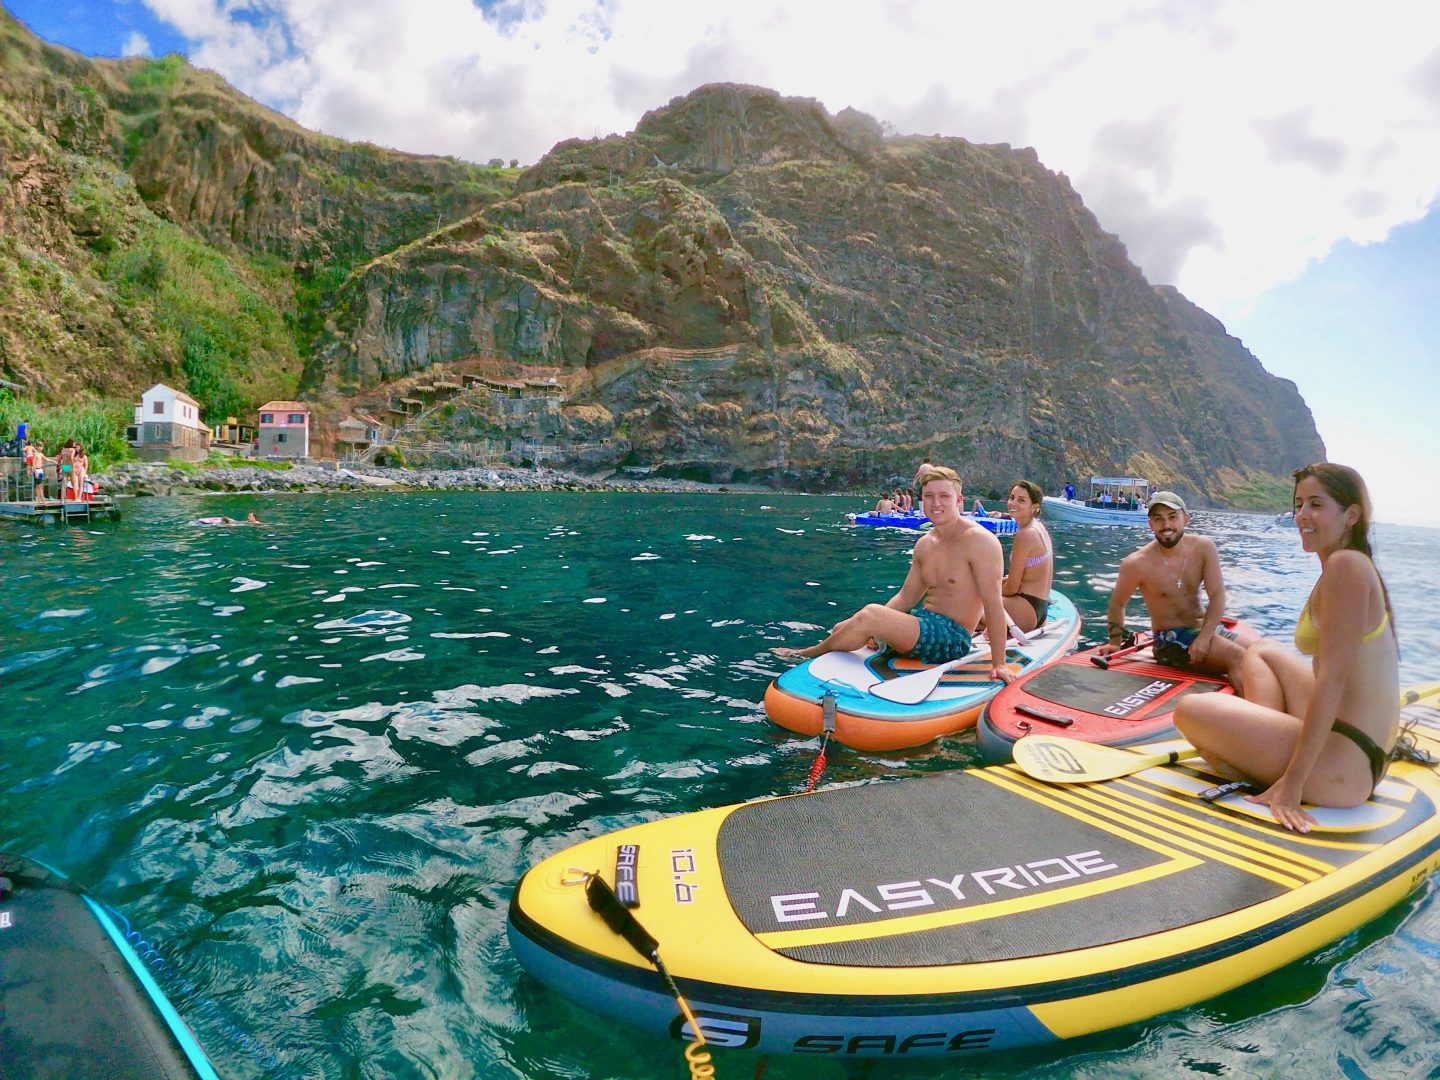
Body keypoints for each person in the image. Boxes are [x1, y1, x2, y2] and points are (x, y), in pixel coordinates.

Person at [1175, 464, 1398, 831]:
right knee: (1262, 650)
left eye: (1316, 504)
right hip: (1355, 749)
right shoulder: (1343, 565)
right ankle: (1258, 736)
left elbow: (1333, 680)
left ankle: (1261, 756)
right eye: (1298, 505)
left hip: (1344, 769)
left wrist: (1291, 785)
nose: (1301, 516)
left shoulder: (1346, 567)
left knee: (1190, 710)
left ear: (1351, 515)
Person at [772, 467, 1017, 682]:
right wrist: (881, 627)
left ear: (959, 500)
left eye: (944, 496)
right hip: (925, 622)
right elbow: (905, 599)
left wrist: (999, 663)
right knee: (842, 627)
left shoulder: (981, 542)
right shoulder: (925, 543)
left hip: (952, 638)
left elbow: (993, 605)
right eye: (929, 496)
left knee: (869, 615)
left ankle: (807, 653)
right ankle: (863, 636)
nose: (936, 503)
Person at [1095, 491, 1246, 686]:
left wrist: (1205, 637)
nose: (1166, 526)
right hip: (1170, 640)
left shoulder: (1203, 548)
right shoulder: (1136, 563)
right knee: (1240, 658)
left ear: (1186, 519)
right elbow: (1117, 604)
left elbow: (1217, 596)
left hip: (1207, 630)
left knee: (1262, 654)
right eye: (1158, 519)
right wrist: (1115, 643)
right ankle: (1258, 715)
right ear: (1150, 524)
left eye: (1172, 517)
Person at [1001, 480, 1053, 633]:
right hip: (1039, 608)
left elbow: (1012, 587)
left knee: (970, 602)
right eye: (1011, 498)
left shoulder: (1025, 535)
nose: (1013, 503)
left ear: (1034, 507)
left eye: (1021, 500)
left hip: (1024, 610)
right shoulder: (1038, 528)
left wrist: (989, 592)